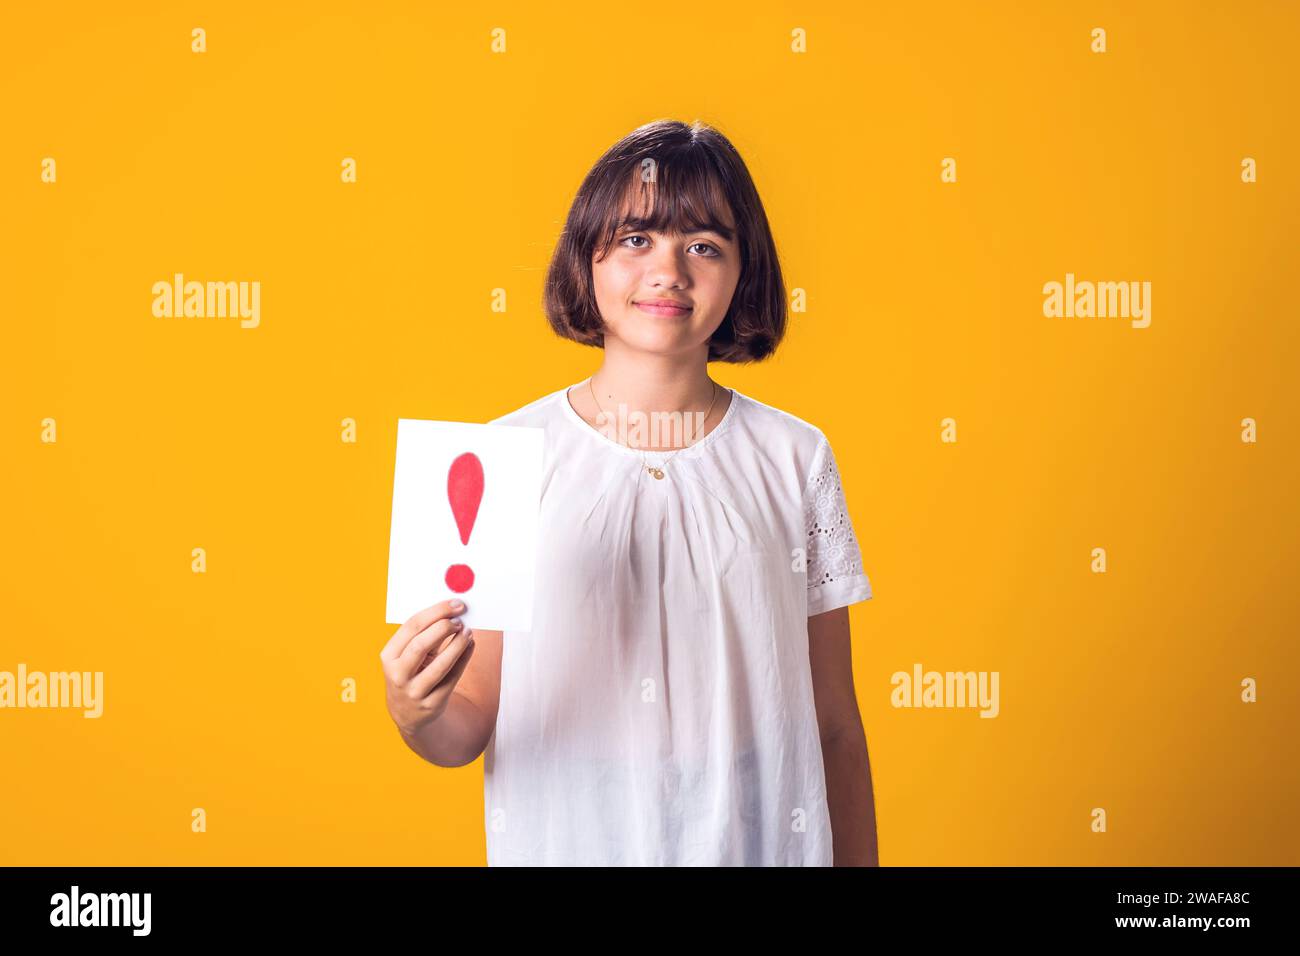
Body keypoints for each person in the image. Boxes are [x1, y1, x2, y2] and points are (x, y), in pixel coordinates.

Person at [381, 119, 878, 865]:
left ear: (748, 272)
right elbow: (468, 721)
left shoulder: (794, 458)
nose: (669, 270)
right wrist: (415, 712)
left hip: (761, 838)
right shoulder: (501, 460)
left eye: (704, 245)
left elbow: (833, 722)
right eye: (637, 239)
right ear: (588, 257)